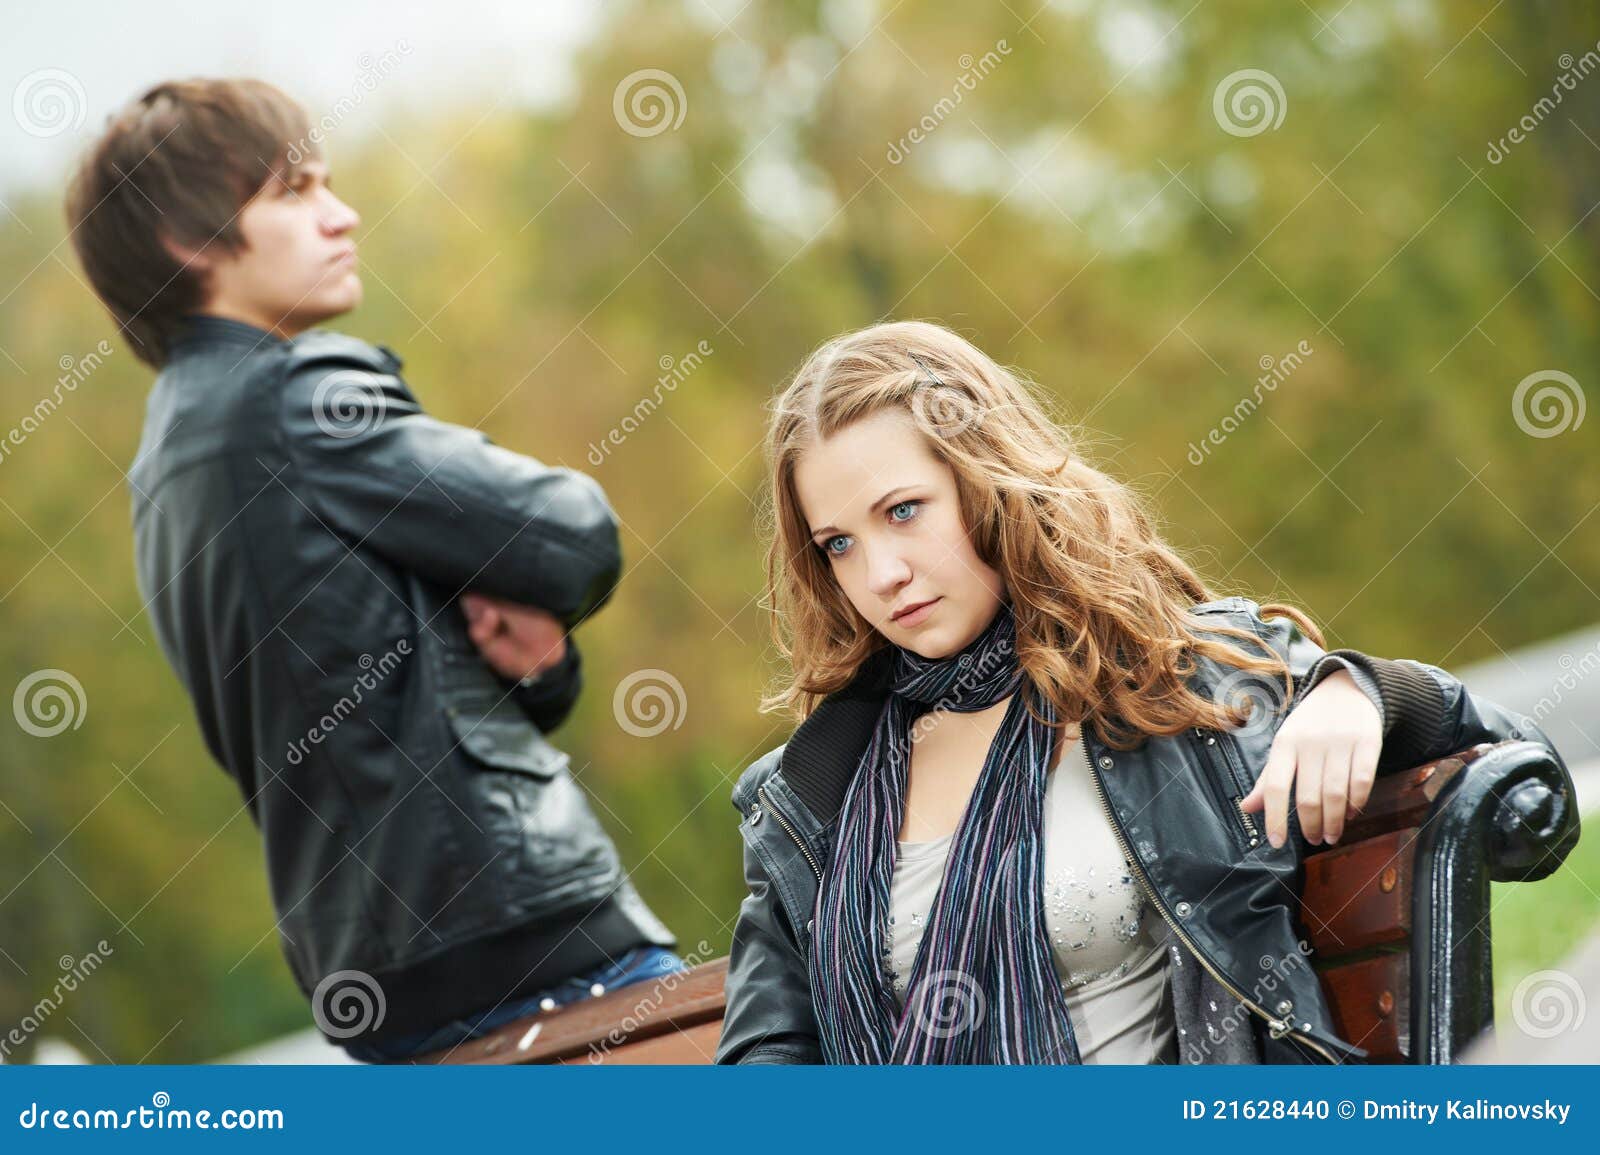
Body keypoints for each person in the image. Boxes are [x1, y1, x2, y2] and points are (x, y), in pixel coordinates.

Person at [715, 320, 1572, 1065]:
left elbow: (1536, 804)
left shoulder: (1169, 679)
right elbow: (768, 1053)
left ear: (988, 481)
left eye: (903, 510)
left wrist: (1364, 693)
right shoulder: (815, 789)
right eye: (838, 544)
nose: (881, 573)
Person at [64, 78, 683, 1062]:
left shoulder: (163, 469)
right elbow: (572, 537)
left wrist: (532, 667)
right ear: (190, 236)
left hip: (388, 990)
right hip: (531, 954)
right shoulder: (292, 397)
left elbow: (371, 710)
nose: (341, 214)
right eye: (296, 190)